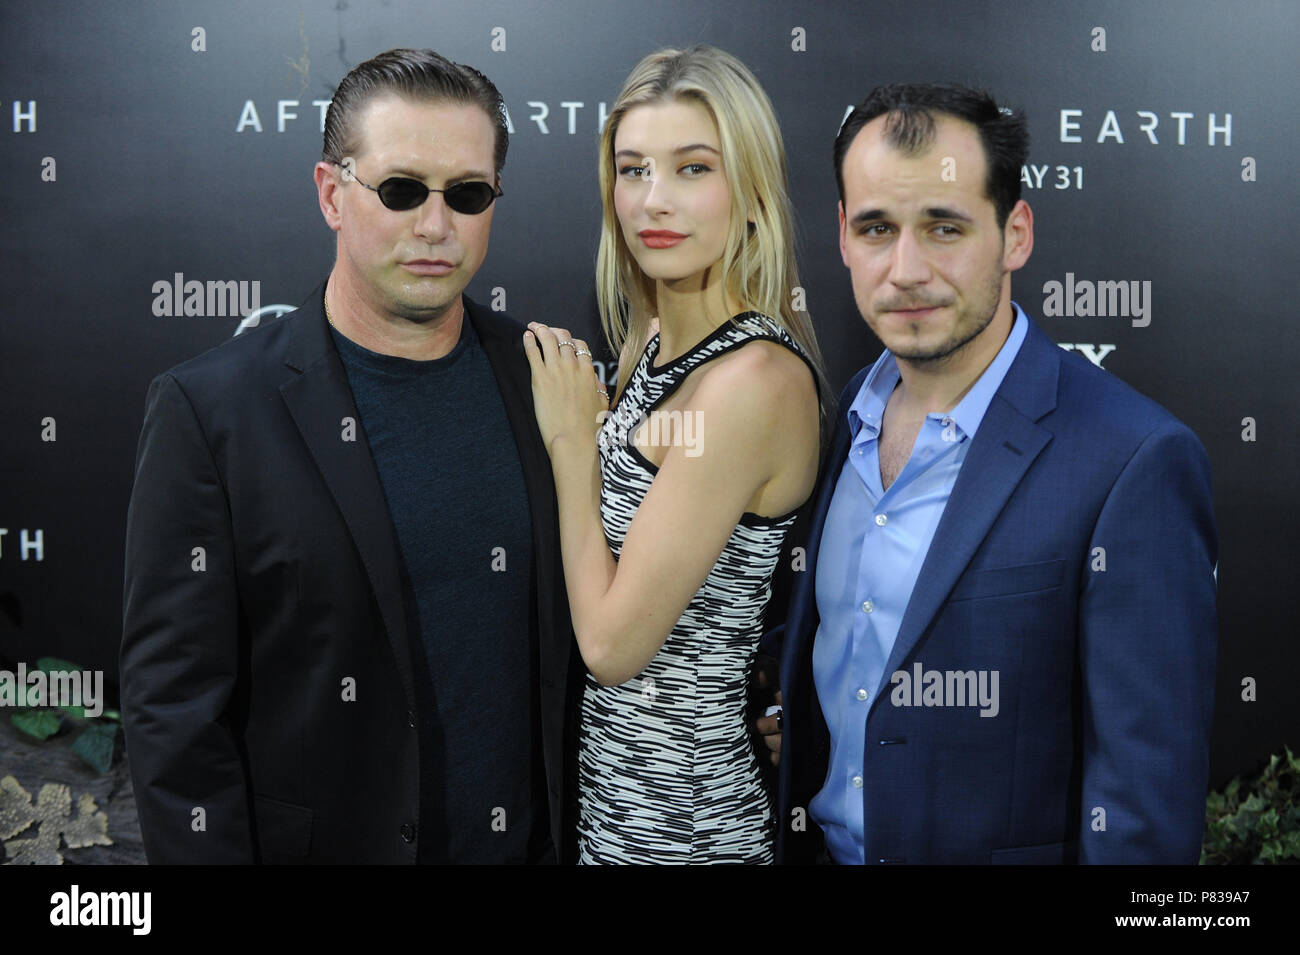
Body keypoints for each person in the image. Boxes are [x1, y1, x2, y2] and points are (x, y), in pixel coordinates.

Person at [120, 48, 578, 864]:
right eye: (401, 190)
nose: (436, 226)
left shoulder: (549, 377)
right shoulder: (212, 410)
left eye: (467, 195)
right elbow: (175, 713)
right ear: (333, 194)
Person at [769, 83, 1217, 864]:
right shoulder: (839, 419)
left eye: (944, 227)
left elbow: (1144, 817)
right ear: (842, 235)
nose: (905, 270)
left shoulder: (1133, 459)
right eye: (877, 227)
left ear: (1016, 233)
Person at [523, 45, 827, 864]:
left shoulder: (753, 382)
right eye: (632, 169)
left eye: (694, 168)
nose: (653, 200)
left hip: (685, 830)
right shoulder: (648, 341)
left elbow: (615, 648)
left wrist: (570, 447)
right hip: (609, 814)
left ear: (751, 187)